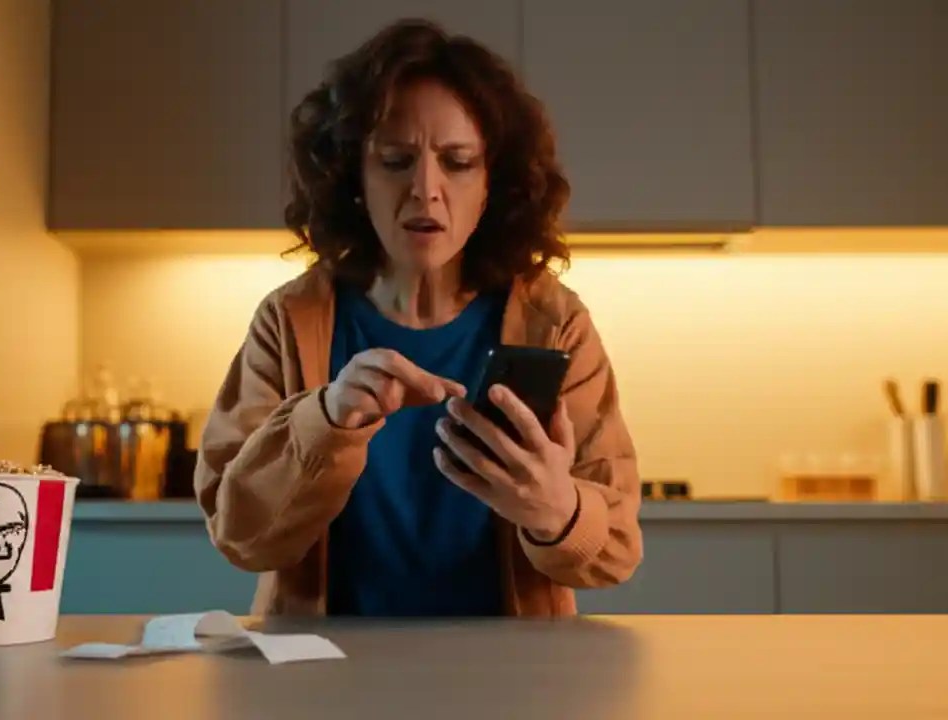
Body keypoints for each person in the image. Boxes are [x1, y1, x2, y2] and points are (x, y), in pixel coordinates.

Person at [193, 18, 642, 617]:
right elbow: (242, 536)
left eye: (457, 162)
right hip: (322, 680)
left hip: (512, 687)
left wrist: (555, 508)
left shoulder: (553, 320)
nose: (425, 190)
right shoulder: (291, 318)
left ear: (492, 184)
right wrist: (324, 421)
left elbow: (614, 552)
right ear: (353, 175)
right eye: (396, 160)